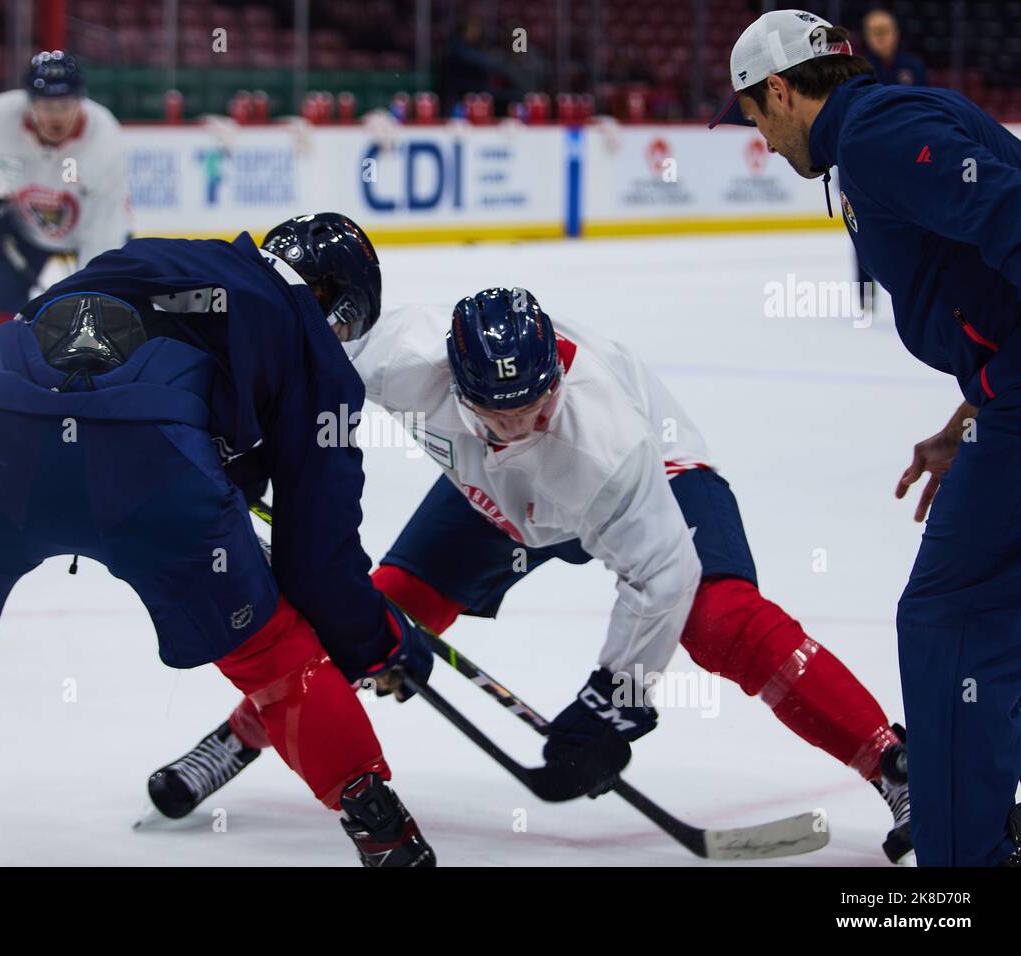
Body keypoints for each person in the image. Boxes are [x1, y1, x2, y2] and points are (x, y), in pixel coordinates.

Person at [0, 214, 436, 869]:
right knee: (271, 657)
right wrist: (374, 640)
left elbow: (75, 356)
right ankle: (384, 834)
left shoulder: (152, 256)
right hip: (155, 477)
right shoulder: (318, 354)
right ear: (339, 306)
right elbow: (317, 557)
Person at [148, 287, 915, 863]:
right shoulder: (402, 361)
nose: (518, 423)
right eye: (495, 411)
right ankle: (243, 734)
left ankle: (893, 763)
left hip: (653, 485)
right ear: (455, 381)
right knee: (370, 619)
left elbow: (660, 576)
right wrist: (233, 443)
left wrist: (612, 703)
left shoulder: (605, 444)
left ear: (555, 373)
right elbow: (300, 365)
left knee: (722, 622)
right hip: (493, 503)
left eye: (533, 403)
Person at [709, 9, 1021, 866]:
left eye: (754, 116)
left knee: (952, 616)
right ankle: (985, 821)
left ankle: (965, 861)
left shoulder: (879, 133)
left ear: (781, 90)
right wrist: (975, 412)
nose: (763, 142)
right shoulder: (888, 126)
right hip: (1005, 401)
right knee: (989, 615)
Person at [0, 50, 130, 411]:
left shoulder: (104, 141)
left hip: (91, 234)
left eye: (65, 104)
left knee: (109, 324)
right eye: (46, 105)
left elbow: (103, 231)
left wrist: (88, 293)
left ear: (82, 102)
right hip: (21, 230)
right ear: (28, 103)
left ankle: (106, 409)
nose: (56, 115)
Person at [854, 9, 928, 311]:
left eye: (885, 29)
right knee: (863, 229)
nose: (881, 36)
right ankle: (865, 294)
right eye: (875, 30)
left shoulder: (913, 68)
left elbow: (923, 110)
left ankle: (915, 293)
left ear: (896, 32)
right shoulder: (858, 71)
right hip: (867, 163)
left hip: (906, 161)